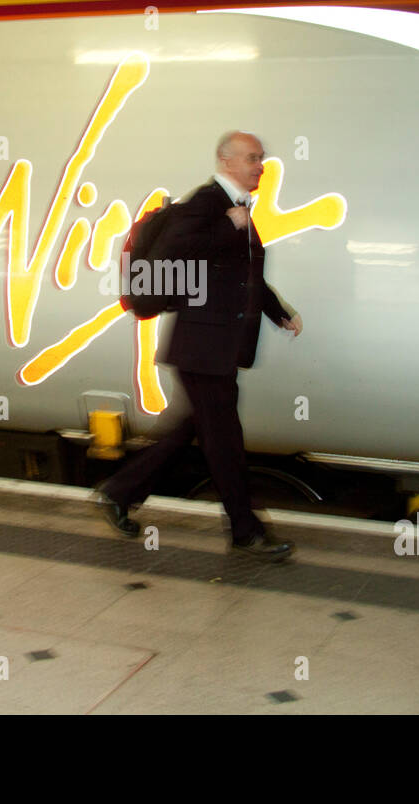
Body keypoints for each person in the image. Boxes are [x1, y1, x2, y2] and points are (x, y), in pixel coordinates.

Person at [95, 130, 303, 559]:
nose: (259, 165)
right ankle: (245, 530)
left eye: (261, 158)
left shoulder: (237, 207)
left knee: (191, 433)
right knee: (225, 441)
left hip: (213, 348)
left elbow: (242, 275)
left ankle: (118, 492)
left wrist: (277, 310)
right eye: (251, 158)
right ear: (226, 162)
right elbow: (177, 253)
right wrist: (227, 227)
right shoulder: (206, 204)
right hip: (203, 348)